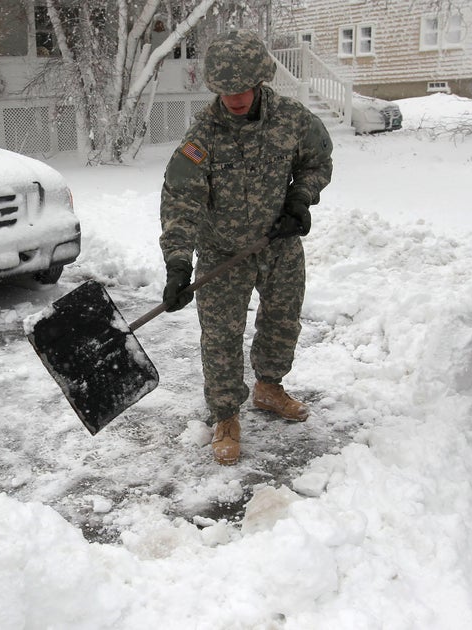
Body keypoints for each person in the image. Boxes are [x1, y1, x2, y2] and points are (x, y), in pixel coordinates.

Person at [158, 30, 333, 465]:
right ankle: (225, 415)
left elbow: (317, 161)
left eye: (242, 89)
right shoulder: (202, 137)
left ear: (260, 80)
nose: (234, 99)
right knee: (221, 336)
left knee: (281, 322)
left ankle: (269, 388)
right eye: (225, 90)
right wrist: (178, 265)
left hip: (279, 244)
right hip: (223, 251)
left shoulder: (292, 119)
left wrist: (299, 199)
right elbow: (180, 200)